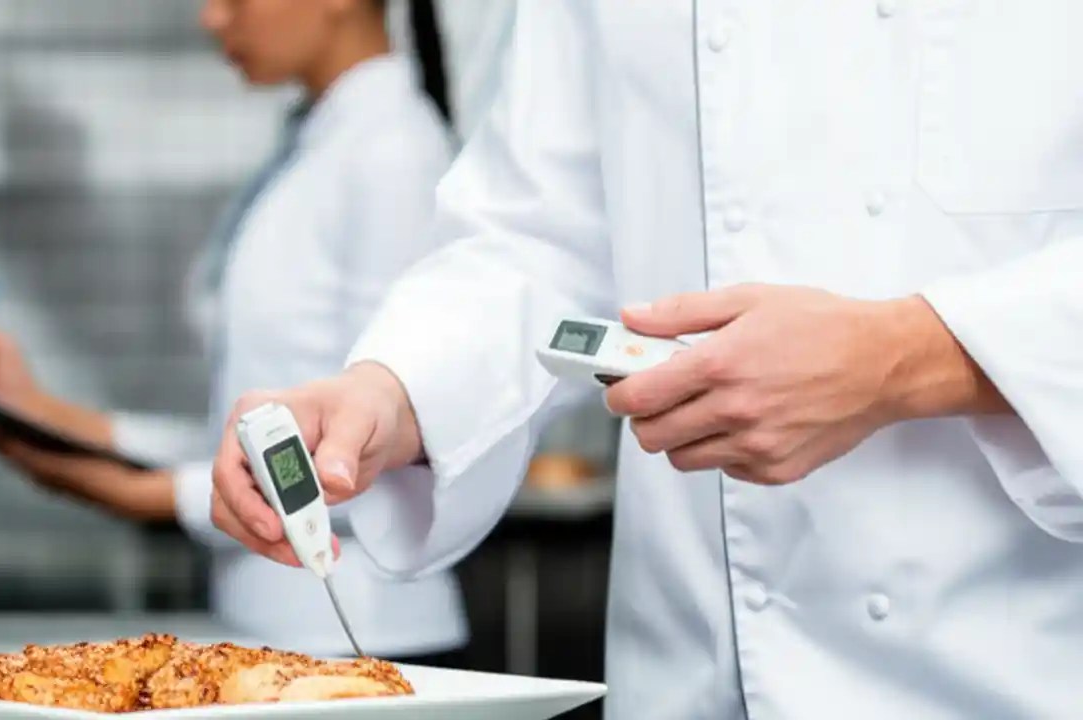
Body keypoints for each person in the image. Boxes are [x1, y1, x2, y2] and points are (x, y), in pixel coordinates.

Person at [209, 1, 1083, 717]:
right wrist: (392, 392)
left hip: (1010, 674)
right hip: (684, 668)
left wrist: (912, 355)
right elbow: (540, 234)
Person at [0, 0, 468, 664]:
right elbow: (251, 435)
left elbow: (379, 455)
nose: (212, 18)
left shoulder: (396, 156)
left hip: (362, 641)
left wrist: (131, 491)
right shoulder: (316, 147)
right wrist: (34, 414)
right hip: (275, 632)